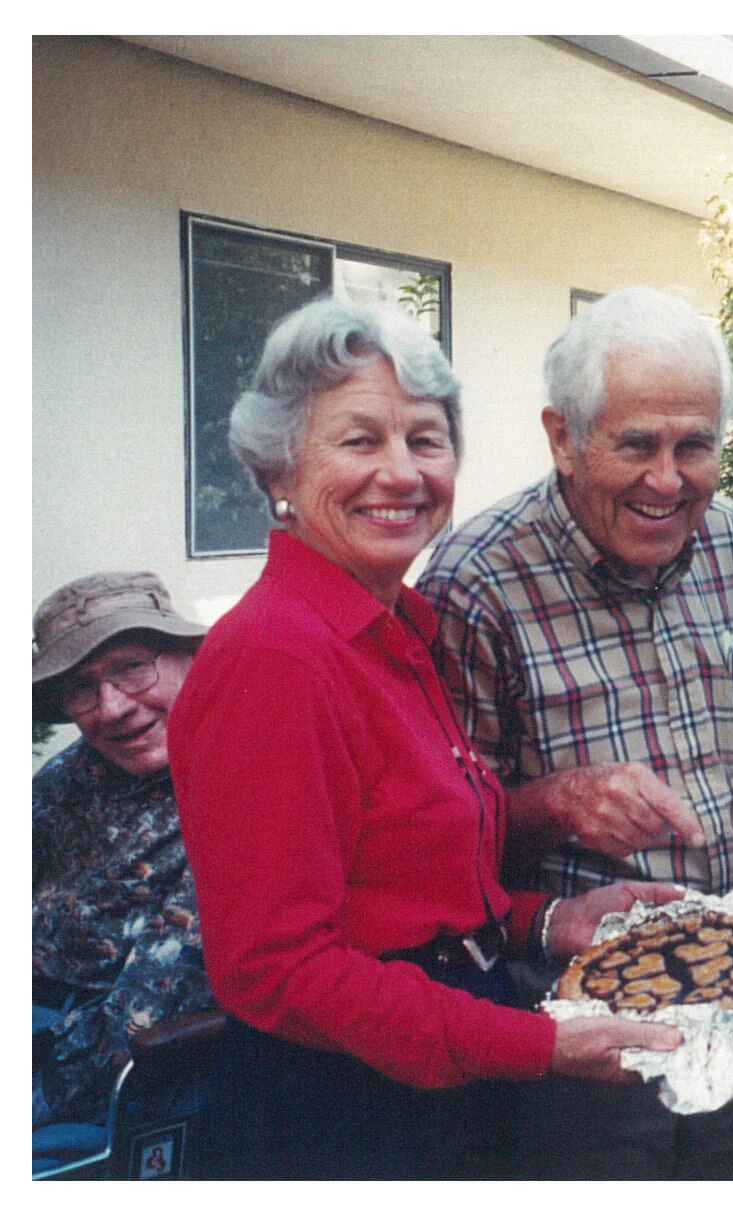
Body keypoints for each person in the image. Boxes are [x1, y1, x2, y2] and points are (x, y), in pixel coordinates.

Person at [166, 297, 684, 1180]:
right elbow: (281, 970)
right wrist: (536, 1046)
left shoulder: (399, 630)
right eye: (359, 441)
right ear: (278, 469)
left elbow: (407, 895)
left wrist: (551, 921)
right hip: (338, 1121)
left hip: (437, 1089)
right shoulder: (277, 656)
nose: (400, 473)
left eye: (426, 439)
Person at [416, 286, 733, 1179]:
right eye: (636, 444)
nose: (667, 479)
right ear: (562, 437)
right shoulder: (478, 584)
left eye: (696, 446)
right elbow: (431, 844)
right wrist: (557, 803)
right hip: (571, 1035)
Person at [31, 571, 213, 1170]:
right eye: (80, 688)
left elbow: (138, 1022)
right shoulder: (71, 775)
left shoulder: (235, 791)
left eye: (132, 666)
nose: (111, 708)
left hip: (92, 1088)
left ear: (189, 657)